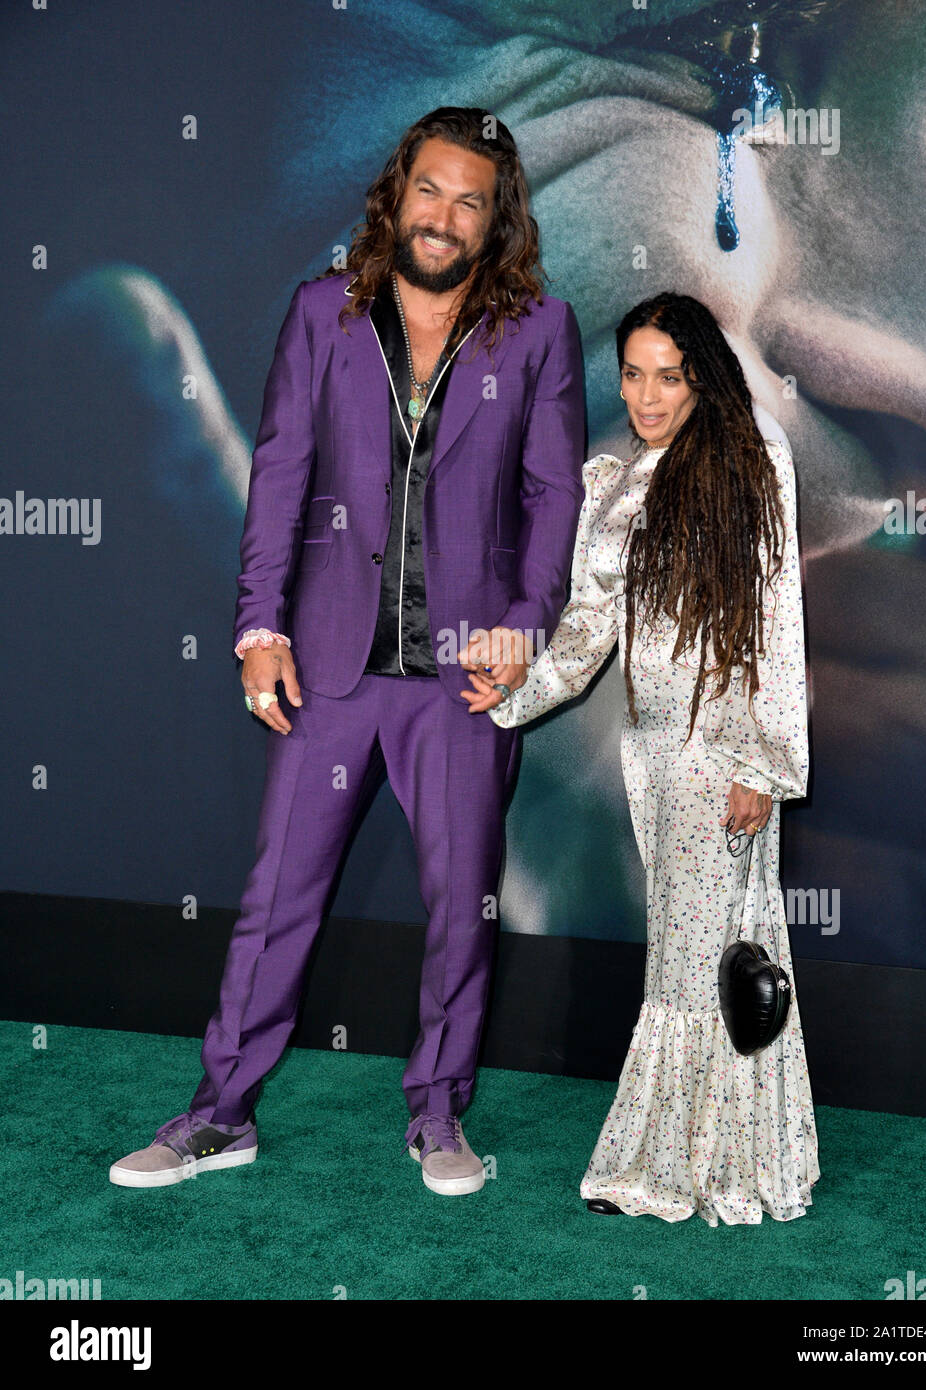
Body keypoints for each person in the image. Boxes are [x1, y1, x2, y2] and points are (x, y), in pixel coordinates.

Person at [109, 107, 586, 1196]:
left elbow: (553, 493)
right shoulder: (324, 312)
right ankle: (221, 1114)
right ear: (397, 191)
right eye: (431, 189)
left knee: (461, 907)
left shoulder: (541, 328)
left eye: (472, 199)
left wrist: (525, 620)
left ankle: (439, 1117)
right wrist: (258, 626)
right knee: (279, 899)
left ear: (496, 217)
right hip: (330, 668)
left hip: (464, 676)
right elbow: (279, 474)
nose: (446, 214)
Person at [464, 293, 819, 1224]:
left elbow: (776, 616)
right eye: (633, 373)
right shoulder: (615, 481)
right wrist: (515, 698)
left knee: (698, 963)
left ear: (702, 375)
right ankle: (729, 1156)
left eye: (670, 374)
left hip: (721, 749)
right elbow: (586, 632)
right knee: (687, 951)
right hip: (651, 753)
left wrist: (766, 762)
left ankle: (679, 1168)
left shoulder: (753, 462)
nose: (648, 394)